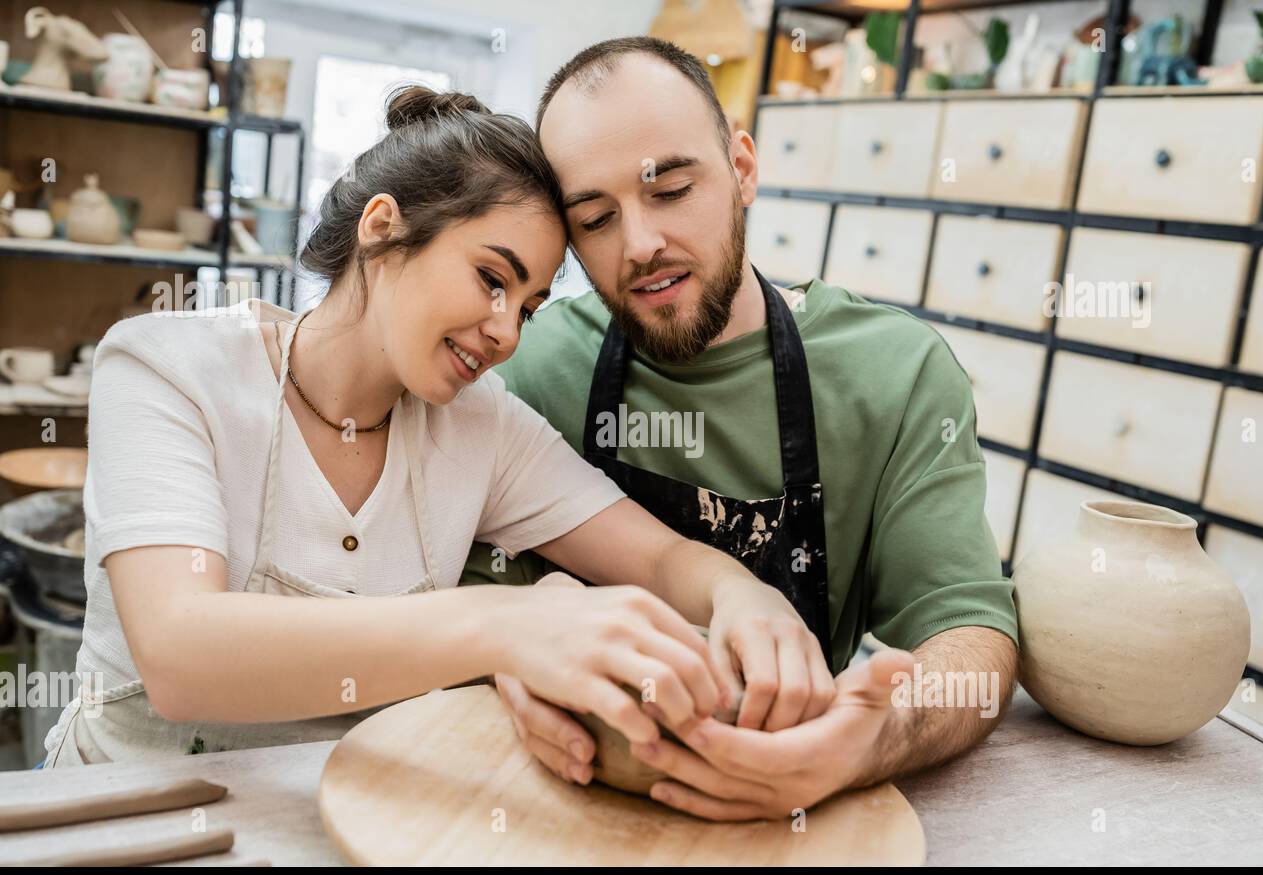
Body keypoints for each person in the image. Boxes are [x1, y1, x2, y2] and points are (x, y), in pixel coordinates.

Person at [43, 86, 831, 768]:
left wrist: (740, 596)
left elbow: (658, 558)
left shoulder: (479, 427)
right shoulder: (166, 367)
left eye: (527, 307)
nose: (507, 334)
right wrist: (506, 624)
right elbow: (184, 657)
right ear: (382, 228)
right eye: (492, 278)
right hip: (120, 817)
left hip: (348, 817)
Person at [460, 38, 1020, 821]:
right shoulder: (528, 369)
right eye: (594, 219)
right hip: (568, 807)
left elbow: (972, 634)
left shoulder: (896, 374)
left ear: (743, 169)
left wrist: (873, 742)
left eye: (671, 189)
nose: (640, 245)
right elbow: (467, 600)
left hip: (787, 810)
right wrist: (507, 658)